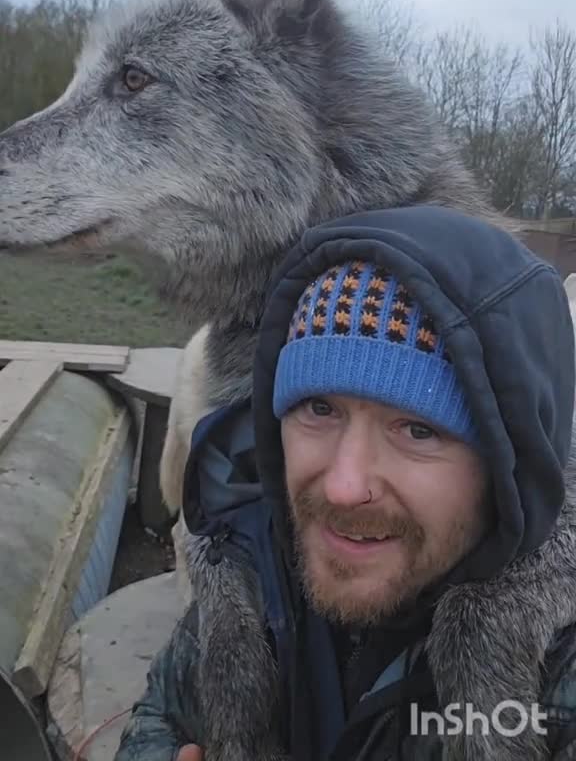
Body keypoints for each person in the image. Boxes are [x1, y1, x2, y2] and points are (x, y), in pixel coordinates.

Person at [114, 205, 576, 761]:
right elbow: (161, 715)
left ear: (510, 464)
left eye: (418, 429)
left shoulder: (559, 668)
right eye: (319, 407)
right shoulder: (248, 565)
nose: (342, 487)